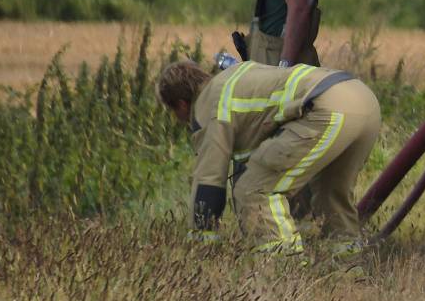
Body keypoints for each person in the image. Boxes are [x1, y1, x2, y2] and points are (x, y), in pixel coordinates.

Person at [157, 57, 380, 253]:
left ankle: (282, 270)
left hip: (327, 108)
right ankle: (348, 268)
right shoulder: (234, 76)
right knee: (331, 194)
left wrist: (202, 240)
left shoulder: (207, 105)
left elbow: (209, 180)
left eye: (174, 113)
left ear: (181, 104)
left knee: (254, 190)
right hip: (362, 99)